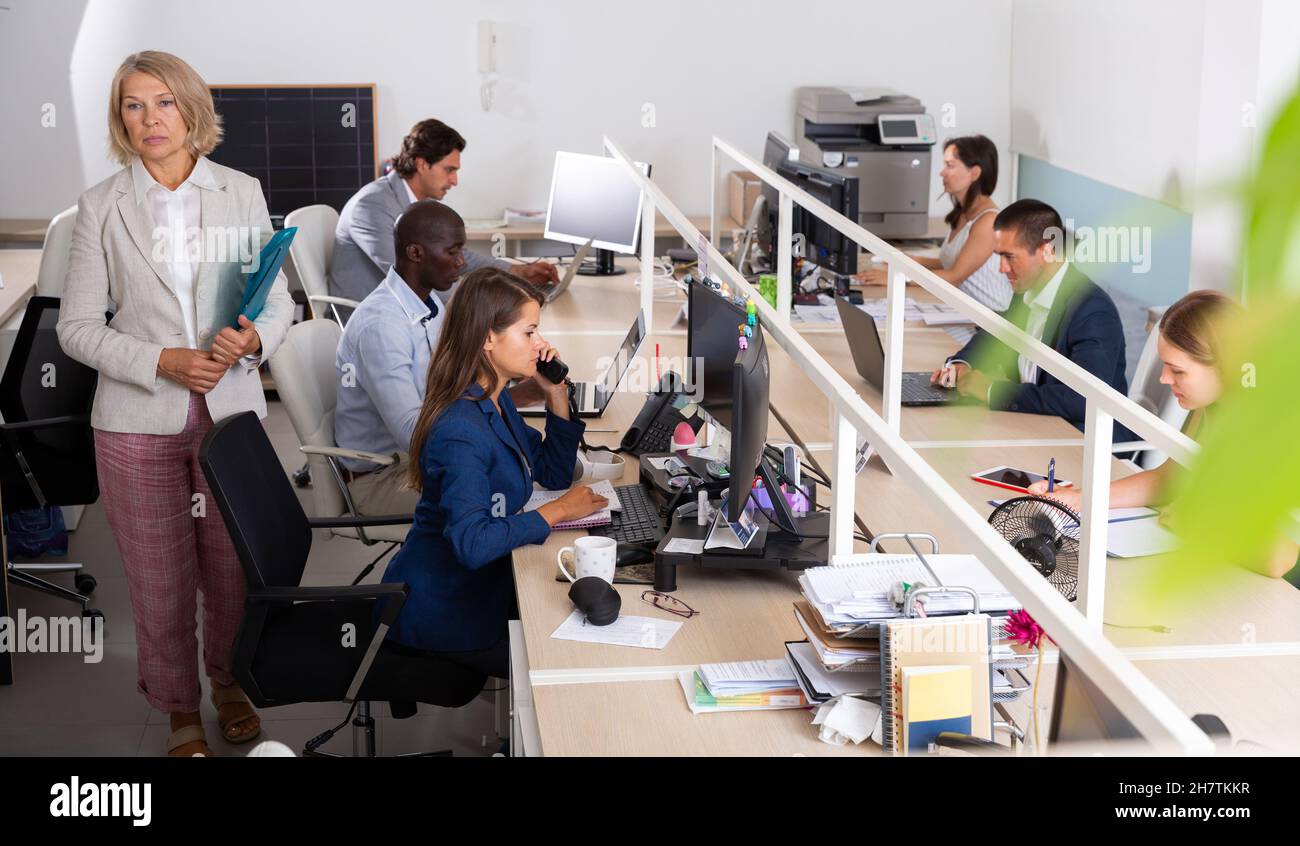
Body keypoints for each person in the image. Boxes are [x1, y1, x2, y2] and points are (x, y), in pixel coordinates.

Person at [57, 51, 293, 756]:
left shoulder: (240, 190)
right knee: (159, 583)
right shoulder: (101, 206)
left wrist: (252, 339)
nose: (149, 119)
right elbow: (75, 328)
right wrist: (160, 360)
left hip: (231, 414)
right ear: (120, 119)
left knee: (231, 572)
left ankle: (226, 680)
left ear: (191, 109)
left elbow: (276, 298)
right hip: (135, 421)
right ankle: (177, 709)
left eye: (162, 102)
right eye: (133, 105)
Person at [377, 268, 608, 678]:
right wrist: (556, 512)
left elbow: (554, 473)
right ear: (488, 338)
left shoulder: (493, 399)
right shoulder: (460, 431)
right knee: (568, 663)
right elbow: (473, 543)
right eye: (530, 332)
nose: (541, 346)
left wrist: (555, 393)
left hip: (482, 587)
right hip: (446, 612)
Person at [1028, 290, 1298, 580]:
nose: (1164, 379)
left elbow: (1277, 558)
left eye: (1178, 371)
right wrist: (1080, 499)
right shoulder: (1213, 405)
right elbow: (1170, 479)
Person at [333, 199, 546, 514]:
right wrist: (509, 399)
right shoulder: (381, 326)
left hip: (425, 457)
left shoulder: (428, 303)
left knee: (522, 470)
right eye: (452, 252)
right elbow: (413, 434)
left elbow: (453, 385)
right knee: (509, 487)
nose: (462, 262)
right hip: (384, 477)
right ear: (416, 253)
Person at [931, 198, 1135, 441]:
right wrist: (962, 363)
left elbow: (1082, 400)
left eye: (1009, 257)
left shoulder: (1092, 312)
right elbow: (995, 335)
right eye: (998, 256)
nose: (1001, 268)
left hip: (1084, 442)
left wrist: (991, 390)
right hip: (1036, 424)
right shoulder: (1027, 290)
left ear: (1048, 251)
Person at [329, 118, 559, 316]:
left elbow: (457, 255)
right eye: (449, 170)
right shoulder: (371, 206)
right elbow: (410, 277)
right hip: (370, 319)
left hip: (407, 309)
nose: (454, 181)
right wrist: (491, 297)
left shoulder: (422, 203)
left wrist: (514, 272)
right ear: (421, 164)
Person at [857, 134, 1012, 330]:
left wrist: (898, 279)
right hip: (959, 313)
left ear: (974, 173)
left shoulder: (988, 221)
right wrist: (905, 260)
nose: (942, 173)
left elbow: (954, 275)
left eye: (950, 165)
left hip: (984, 326)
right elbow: (950, 262)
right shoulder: (964, 214)